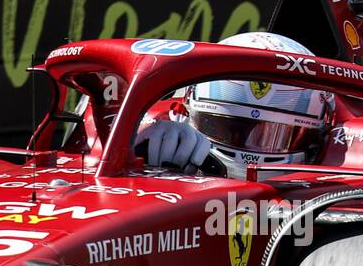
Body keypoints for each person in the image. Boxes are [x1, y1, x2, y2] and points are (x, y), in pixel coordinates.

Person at [134, 31, 334, 178]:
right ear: (187, 112)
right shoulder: (152, 139)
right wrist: (142, 165)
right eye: (226, 129)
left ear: (316, 138)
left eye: (275, 136)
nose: (248, 152)